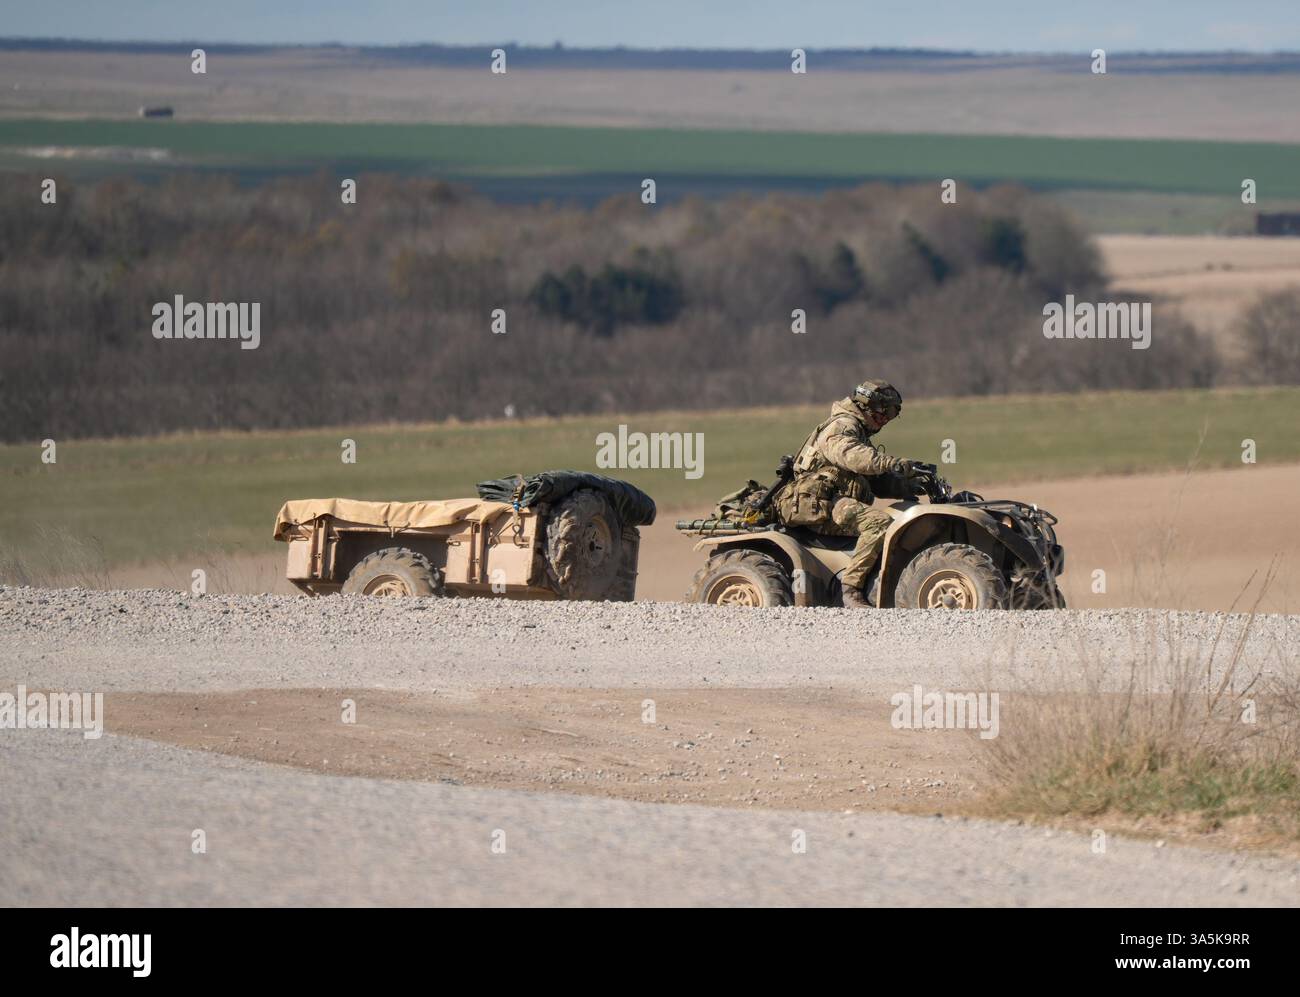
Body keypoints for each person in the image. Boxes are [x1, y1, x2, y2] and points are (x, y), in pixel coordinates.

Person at [775, 380, 914, 608]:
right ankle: (851, 589)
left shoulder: (859, 431)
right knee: (877, 523)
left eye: (893, 413)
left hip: (832, 501)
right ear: (867, 406)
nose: (886, 419)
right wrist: (890, 463)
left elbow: (876, 482)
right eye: (885, 411)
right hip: (819, 505)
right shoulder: (842, 426)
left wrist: (912, 483)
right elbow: (852, 456)